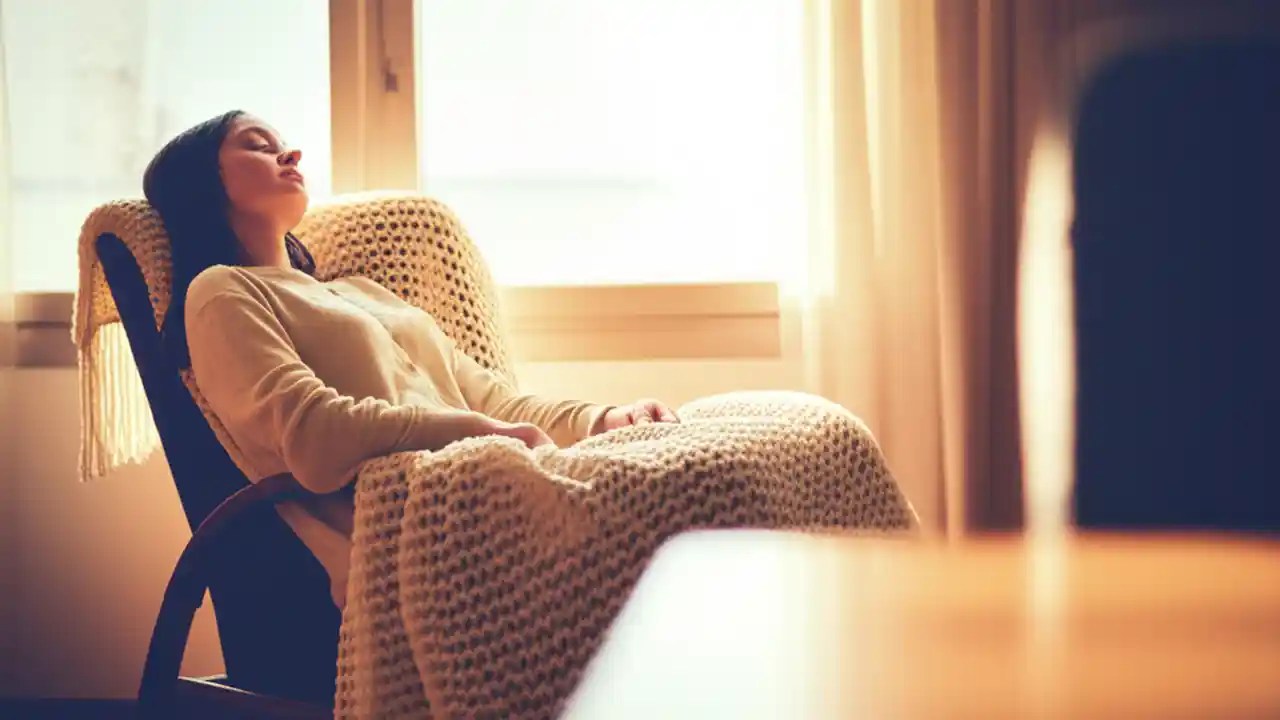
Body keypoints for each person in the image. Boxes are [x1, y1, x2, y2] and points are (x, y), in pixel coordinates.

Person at [143, 110, 680, 607]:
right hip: (410, 528)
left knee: (685, 456)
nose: (291, 156)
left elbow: (496, 399)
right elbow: (312, 434)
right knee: (666, 506)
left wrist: (603, 420)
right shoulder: (220, 291)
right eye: (260, 147)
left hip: (492, 476)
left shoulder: (361, 291)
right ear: (202, 185)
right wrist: (481, 433)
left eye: (284, 144)